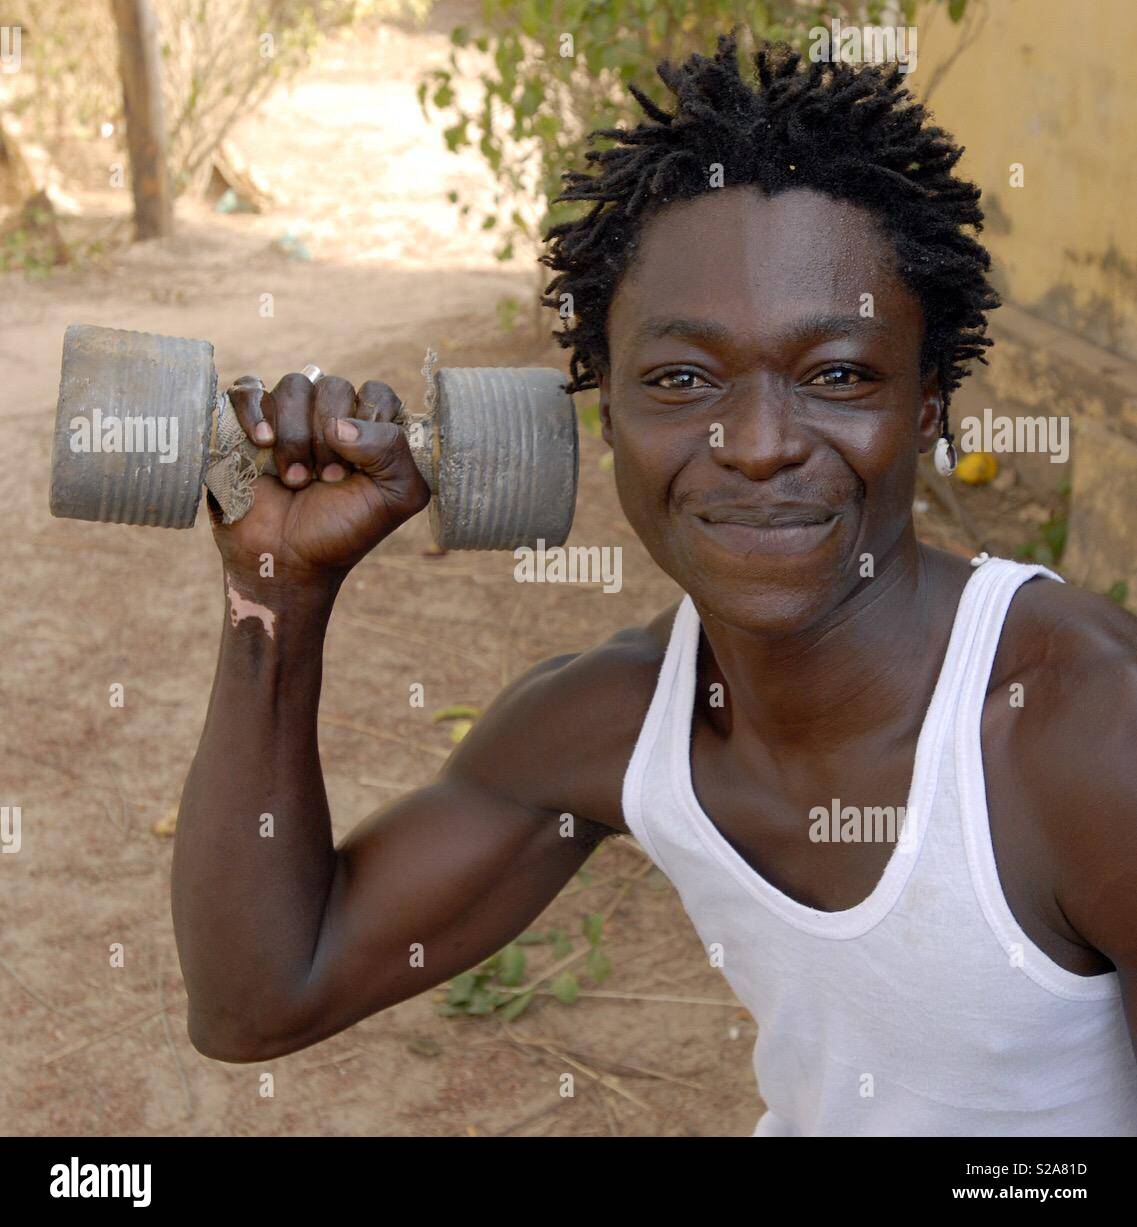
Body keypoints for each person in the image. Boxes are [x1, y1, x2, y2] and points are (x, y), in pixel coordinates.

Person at [171, 33, 1137, 1136]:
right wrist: (276, 596)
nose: (760, 444)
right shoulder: (614, 724)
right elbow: (258, 1000)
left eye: (837, 375)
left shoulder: (1090, 735)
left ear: (924, 409)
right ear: (610, 416)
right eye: (682, 378)